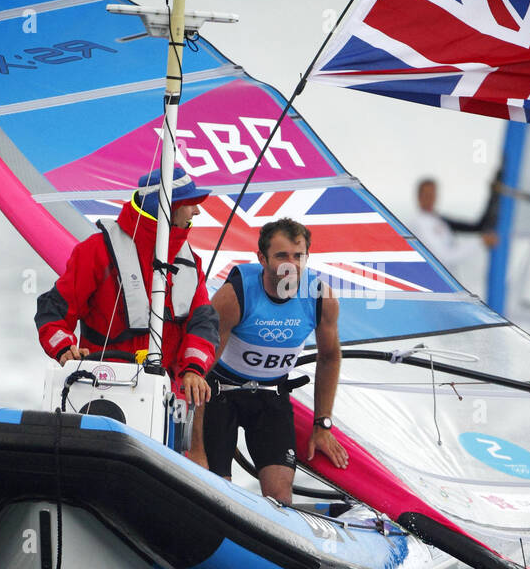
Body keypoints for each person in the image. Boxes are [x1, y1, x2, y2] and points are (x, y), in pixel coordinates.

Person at [189, 218, 348, 505]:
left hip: (271, 396)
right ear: (261, 258)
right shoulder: (233, 296)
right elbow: (199, 373)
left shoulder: (320, 297)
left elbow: (329, 357)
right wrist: (196, 449)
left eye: (298, 256)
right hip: (219, 393)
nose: (291, 264)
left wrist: (322, 425)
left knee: (280, 497)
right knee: (214, 489)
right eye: (281, 256)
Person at [34, 169, 219, 410]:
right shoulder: (96, 251)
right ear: (167, 206)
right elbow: (53, 312)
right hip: (98, 392)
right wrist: (63, 348)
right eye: (191, 203)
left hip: (164, 401)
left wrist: (194, 369)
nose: (197, 211)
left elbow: (204, 325)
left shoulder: (192, 263)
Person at [407, 176, 499, 274]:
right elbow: (444, 257)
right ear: (418, 197)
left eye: (432, 194)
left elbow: (477, 227)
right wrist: (480, 242)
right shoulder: (420, 223)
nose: (430, 199)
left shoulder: (439, 220)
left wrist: (494, 194)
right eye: (426, 195)